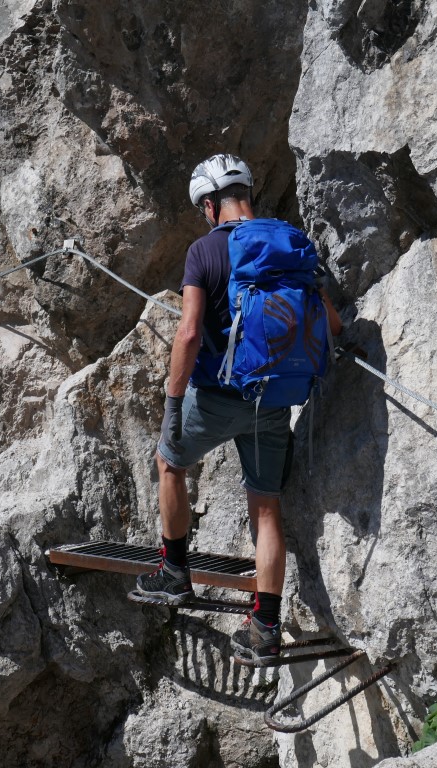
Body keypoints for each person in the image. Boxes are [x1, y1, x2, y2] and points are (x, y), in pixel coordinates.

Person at [135, 153, 342, 665]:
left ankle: (174, 571)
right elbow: (332, 324)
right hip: (272, 399)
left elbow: (188, 333)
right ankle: (265, 628)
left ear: (209, 205)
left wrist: (173, 401)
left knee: (169, 463)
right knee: (266, 507)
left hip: (213, 397)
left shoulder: (204, 251)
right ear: (247, 194)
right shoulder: (288, 241)